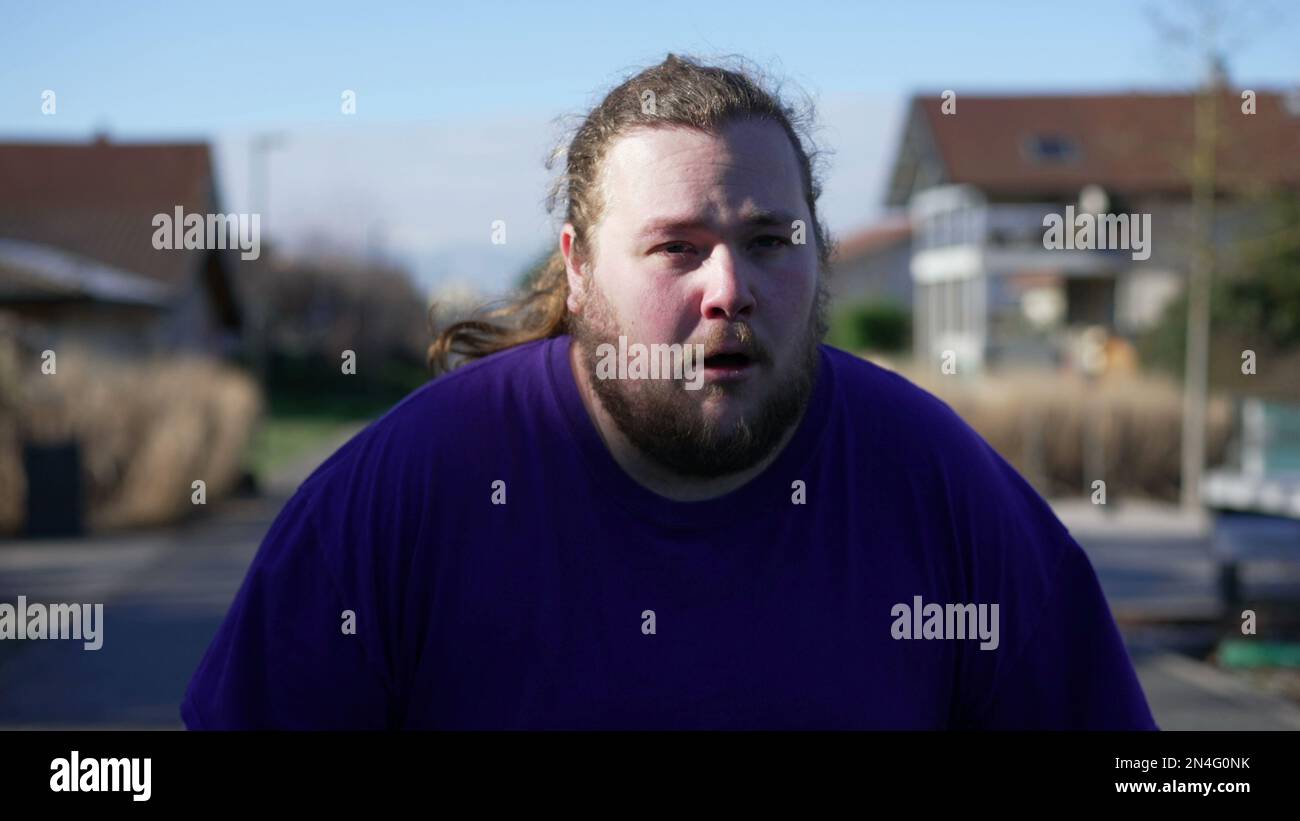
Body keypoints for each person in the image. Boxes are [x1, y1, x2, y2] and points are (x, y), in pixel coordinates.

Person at [182, 53, 1158, 730]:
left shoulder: (938, 482)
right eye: (675, 248)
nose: (728, 288)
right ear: (577, 268)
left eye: (769, 241)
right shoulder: (411, 486)